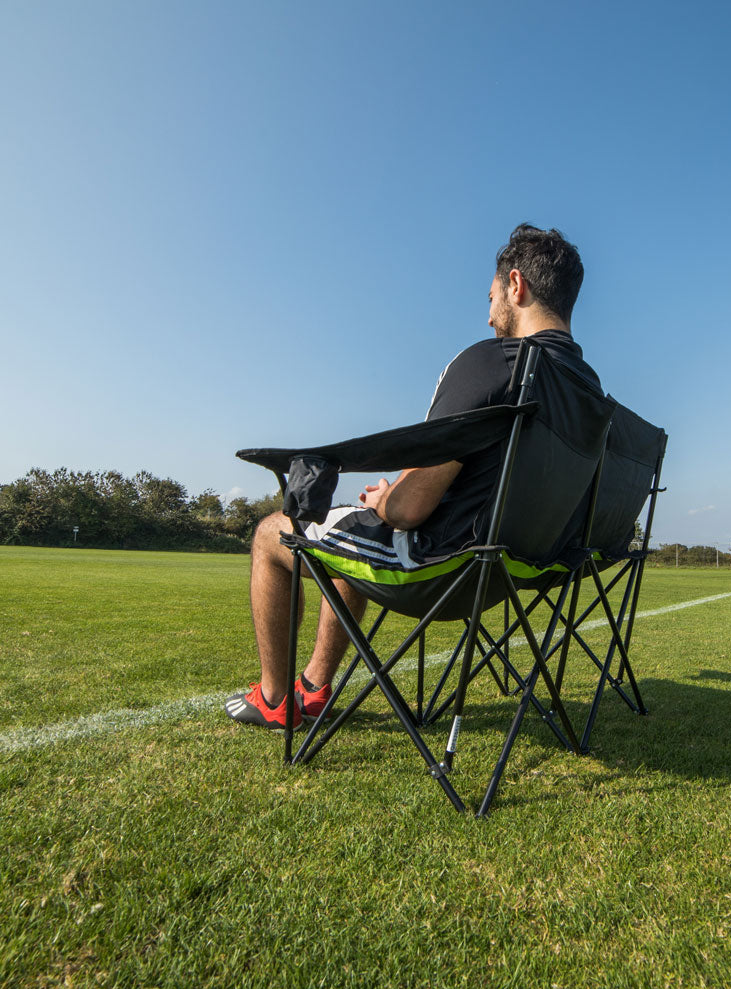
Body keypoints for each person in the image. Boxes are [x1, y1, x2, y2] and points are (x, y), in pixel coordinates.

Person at [225, 224, 602, 730]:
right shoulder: (590, 393)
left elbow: (409, 509)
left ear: (516, 286)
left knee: (273, 534)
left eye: (491, 298)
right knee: (349, 534)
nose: (490, 316)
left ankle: (275, 699)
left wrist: (386, 499)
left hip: (444, 568)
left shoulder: (492, 363)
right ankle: (314, 686)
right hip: (527, 570)